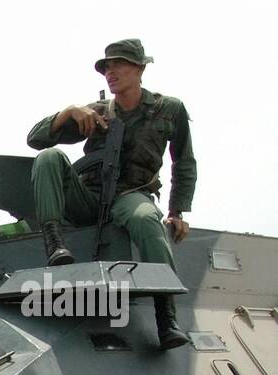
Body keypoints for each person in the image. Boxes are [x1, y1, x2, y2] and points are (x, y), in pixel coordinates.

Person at [26, 39, 196, 350]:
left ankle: (165, 316)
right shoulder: (96, 112)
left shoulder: (168, 109)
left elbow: (183, 161)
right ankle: (55, 243)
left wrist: (177, 211)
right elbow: (35, 139)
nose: (111, 71)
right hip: (89, 196)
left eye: (119, 64)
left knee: (147, 219)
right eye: (107, 66)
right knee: (48, 157)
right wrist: (68, 112)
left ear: (140, 69)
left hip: (129, 196)